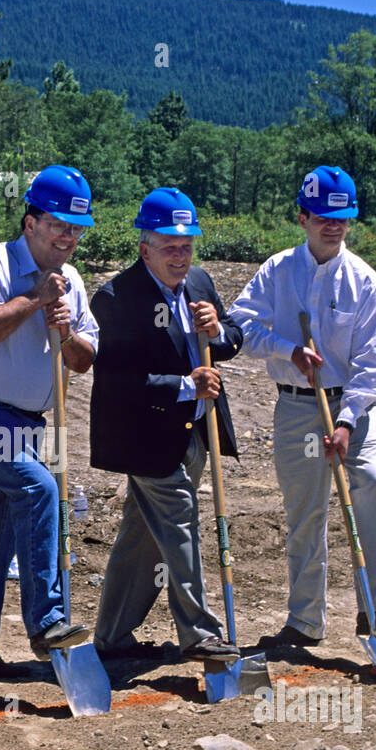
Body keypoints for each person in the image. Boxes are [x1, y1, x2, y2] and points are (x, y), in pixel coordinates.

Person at [226, 165, 376, 649]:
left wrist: (348, 422)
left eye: (343, 217)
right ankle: (305, 621)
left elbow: (373, 363)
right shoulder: (277, 271)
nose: (334, 225)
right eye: (324, 216)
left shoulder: (365, 281)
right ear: (303, 217)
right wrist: (289, 350)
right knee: (305, 512)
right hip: (296, 407)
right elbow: (239, 326)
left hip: (356, 408)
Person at [0, 166, 100, 679]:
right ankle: (47, 622)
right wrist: (36, 298)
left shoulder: (73, 281)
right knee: (38, 493)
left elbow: (82, 359)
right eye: (59, 225)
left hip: (36, 418)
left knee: (6, 527)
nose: (68, 237)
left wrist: (67, 331)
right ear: (30, 221)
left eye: (76, 229)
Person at [90, 188, 242, 664]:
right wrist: (184, 383)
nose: (180, 256)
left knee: (141, 537)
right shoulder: (117, 297)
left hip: (197, 432)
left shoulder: (199, 282)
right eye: (170, 246)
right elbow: (116, 378)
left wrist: (217, 330)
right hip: (144, 437)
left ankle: (112, 637)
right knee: (180, 522)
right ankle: (200, 632)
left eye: (186, 246)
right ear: (145, 248)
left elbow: (233, 338)